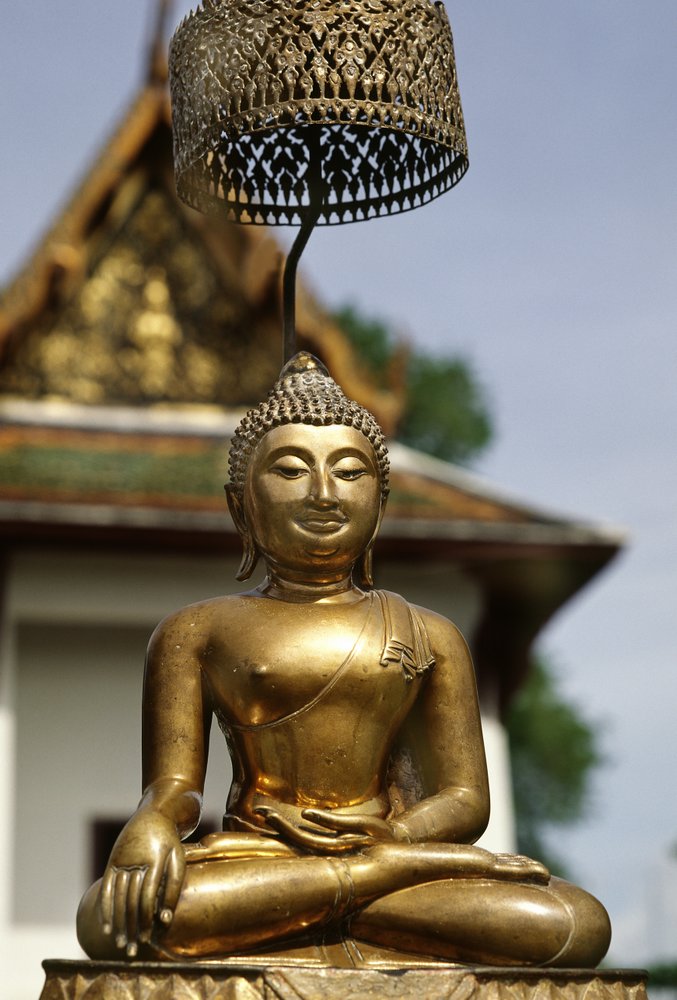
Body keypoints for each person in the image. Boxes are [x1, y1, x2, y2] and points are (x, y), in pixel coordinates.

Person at [77, 353, 611, 967]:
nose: (323, 493)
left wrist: (400, 841)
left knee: (576, 923)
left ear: (380, 504)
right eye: (290, 469)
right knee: (118, 915)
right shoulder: (195, 630)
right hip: (262, 855)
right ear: (240, 504)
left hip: (389, 854)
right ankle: (358, 898)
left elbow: (465, 798)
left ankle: (334, 902)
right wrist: (152, 822)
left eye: (349, 471)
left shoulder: (430, 635)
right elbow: (175, 788)